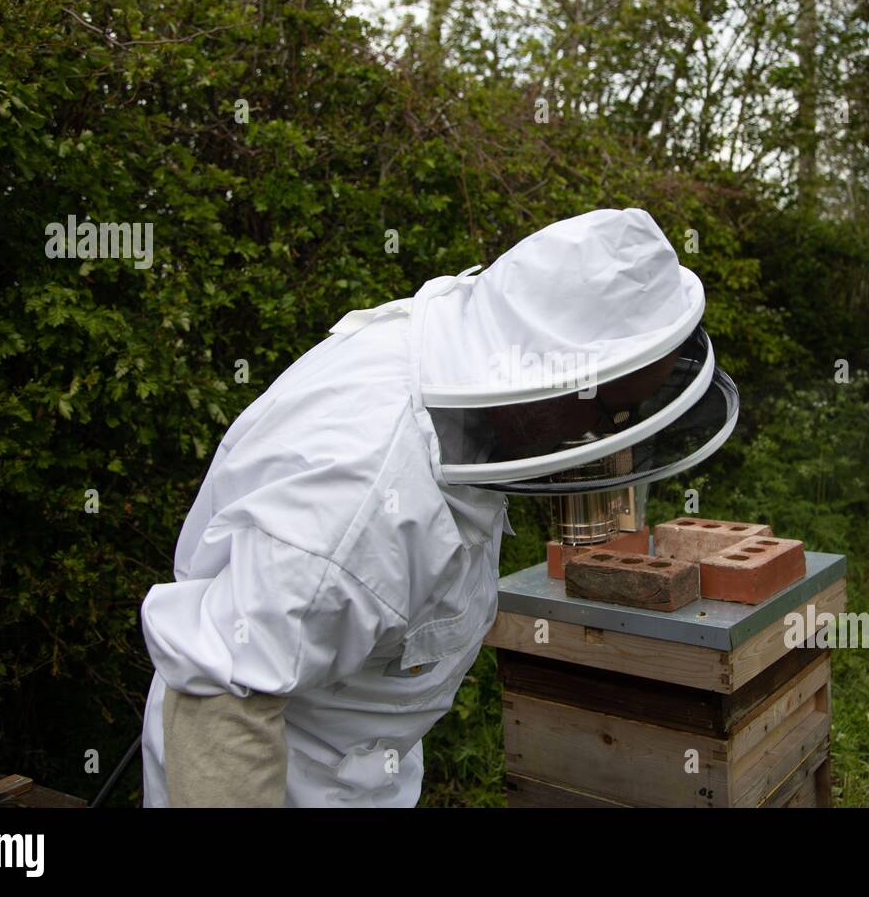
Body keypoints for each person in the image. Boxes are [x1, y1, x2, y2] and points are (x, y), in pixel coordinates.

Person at [139, 207, 735, 806]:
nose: (608, 438)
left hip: (360, 764)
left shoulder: (478, 366)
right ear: (551, 380)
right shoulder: (358, 508)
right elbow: (221, 698)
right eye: (609, 413)